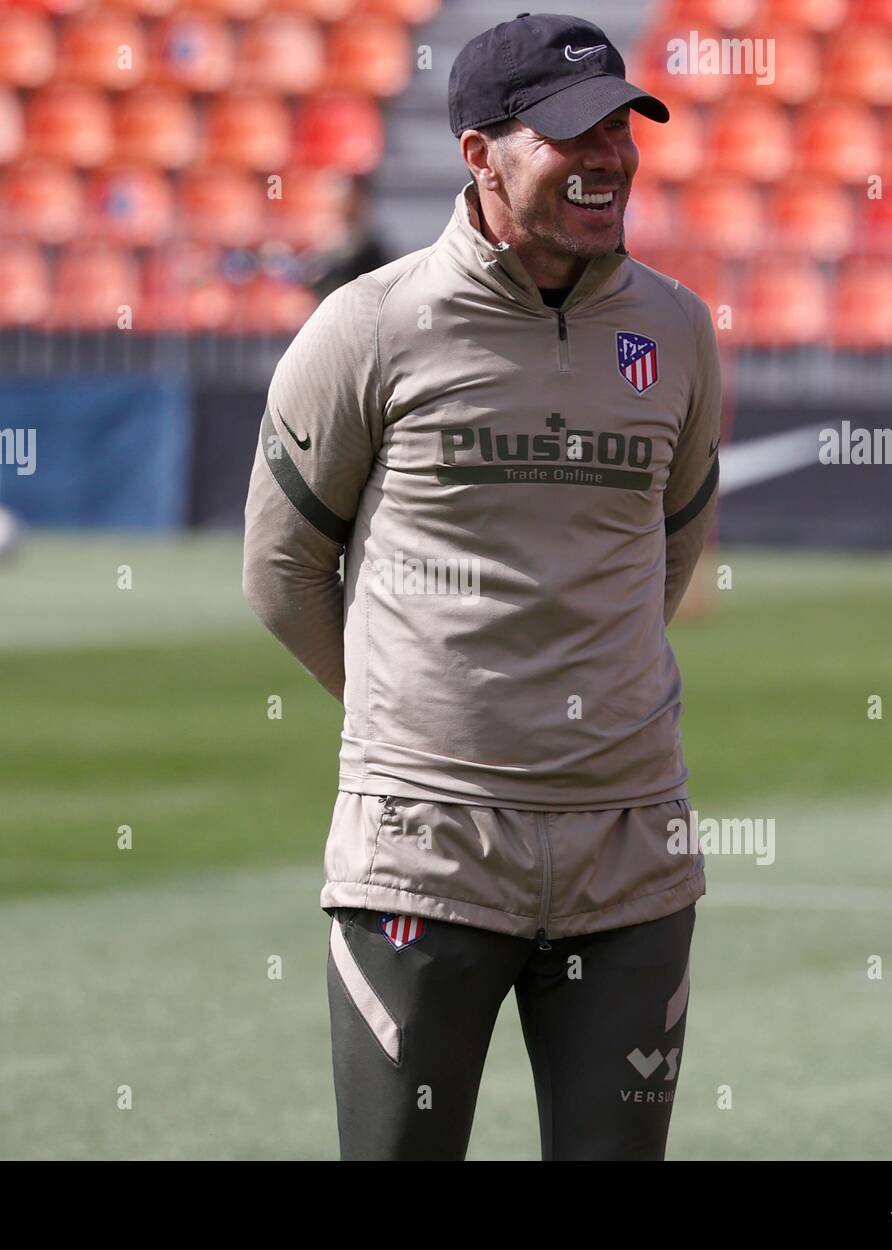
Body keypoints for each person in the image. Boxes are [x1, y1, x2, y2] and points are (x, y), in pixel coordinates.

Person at [242, 11, 722, 1161]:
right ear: (478, 152)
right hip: (421, 846)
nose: (605, 155)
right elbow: (281, 568)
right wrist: (413, 719)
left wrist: (586, 697)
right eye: (569, 134)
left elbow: (671, 544)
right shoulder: (367, 325)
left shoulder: (678, 329)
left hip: (629, 852)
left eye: (619, 125)